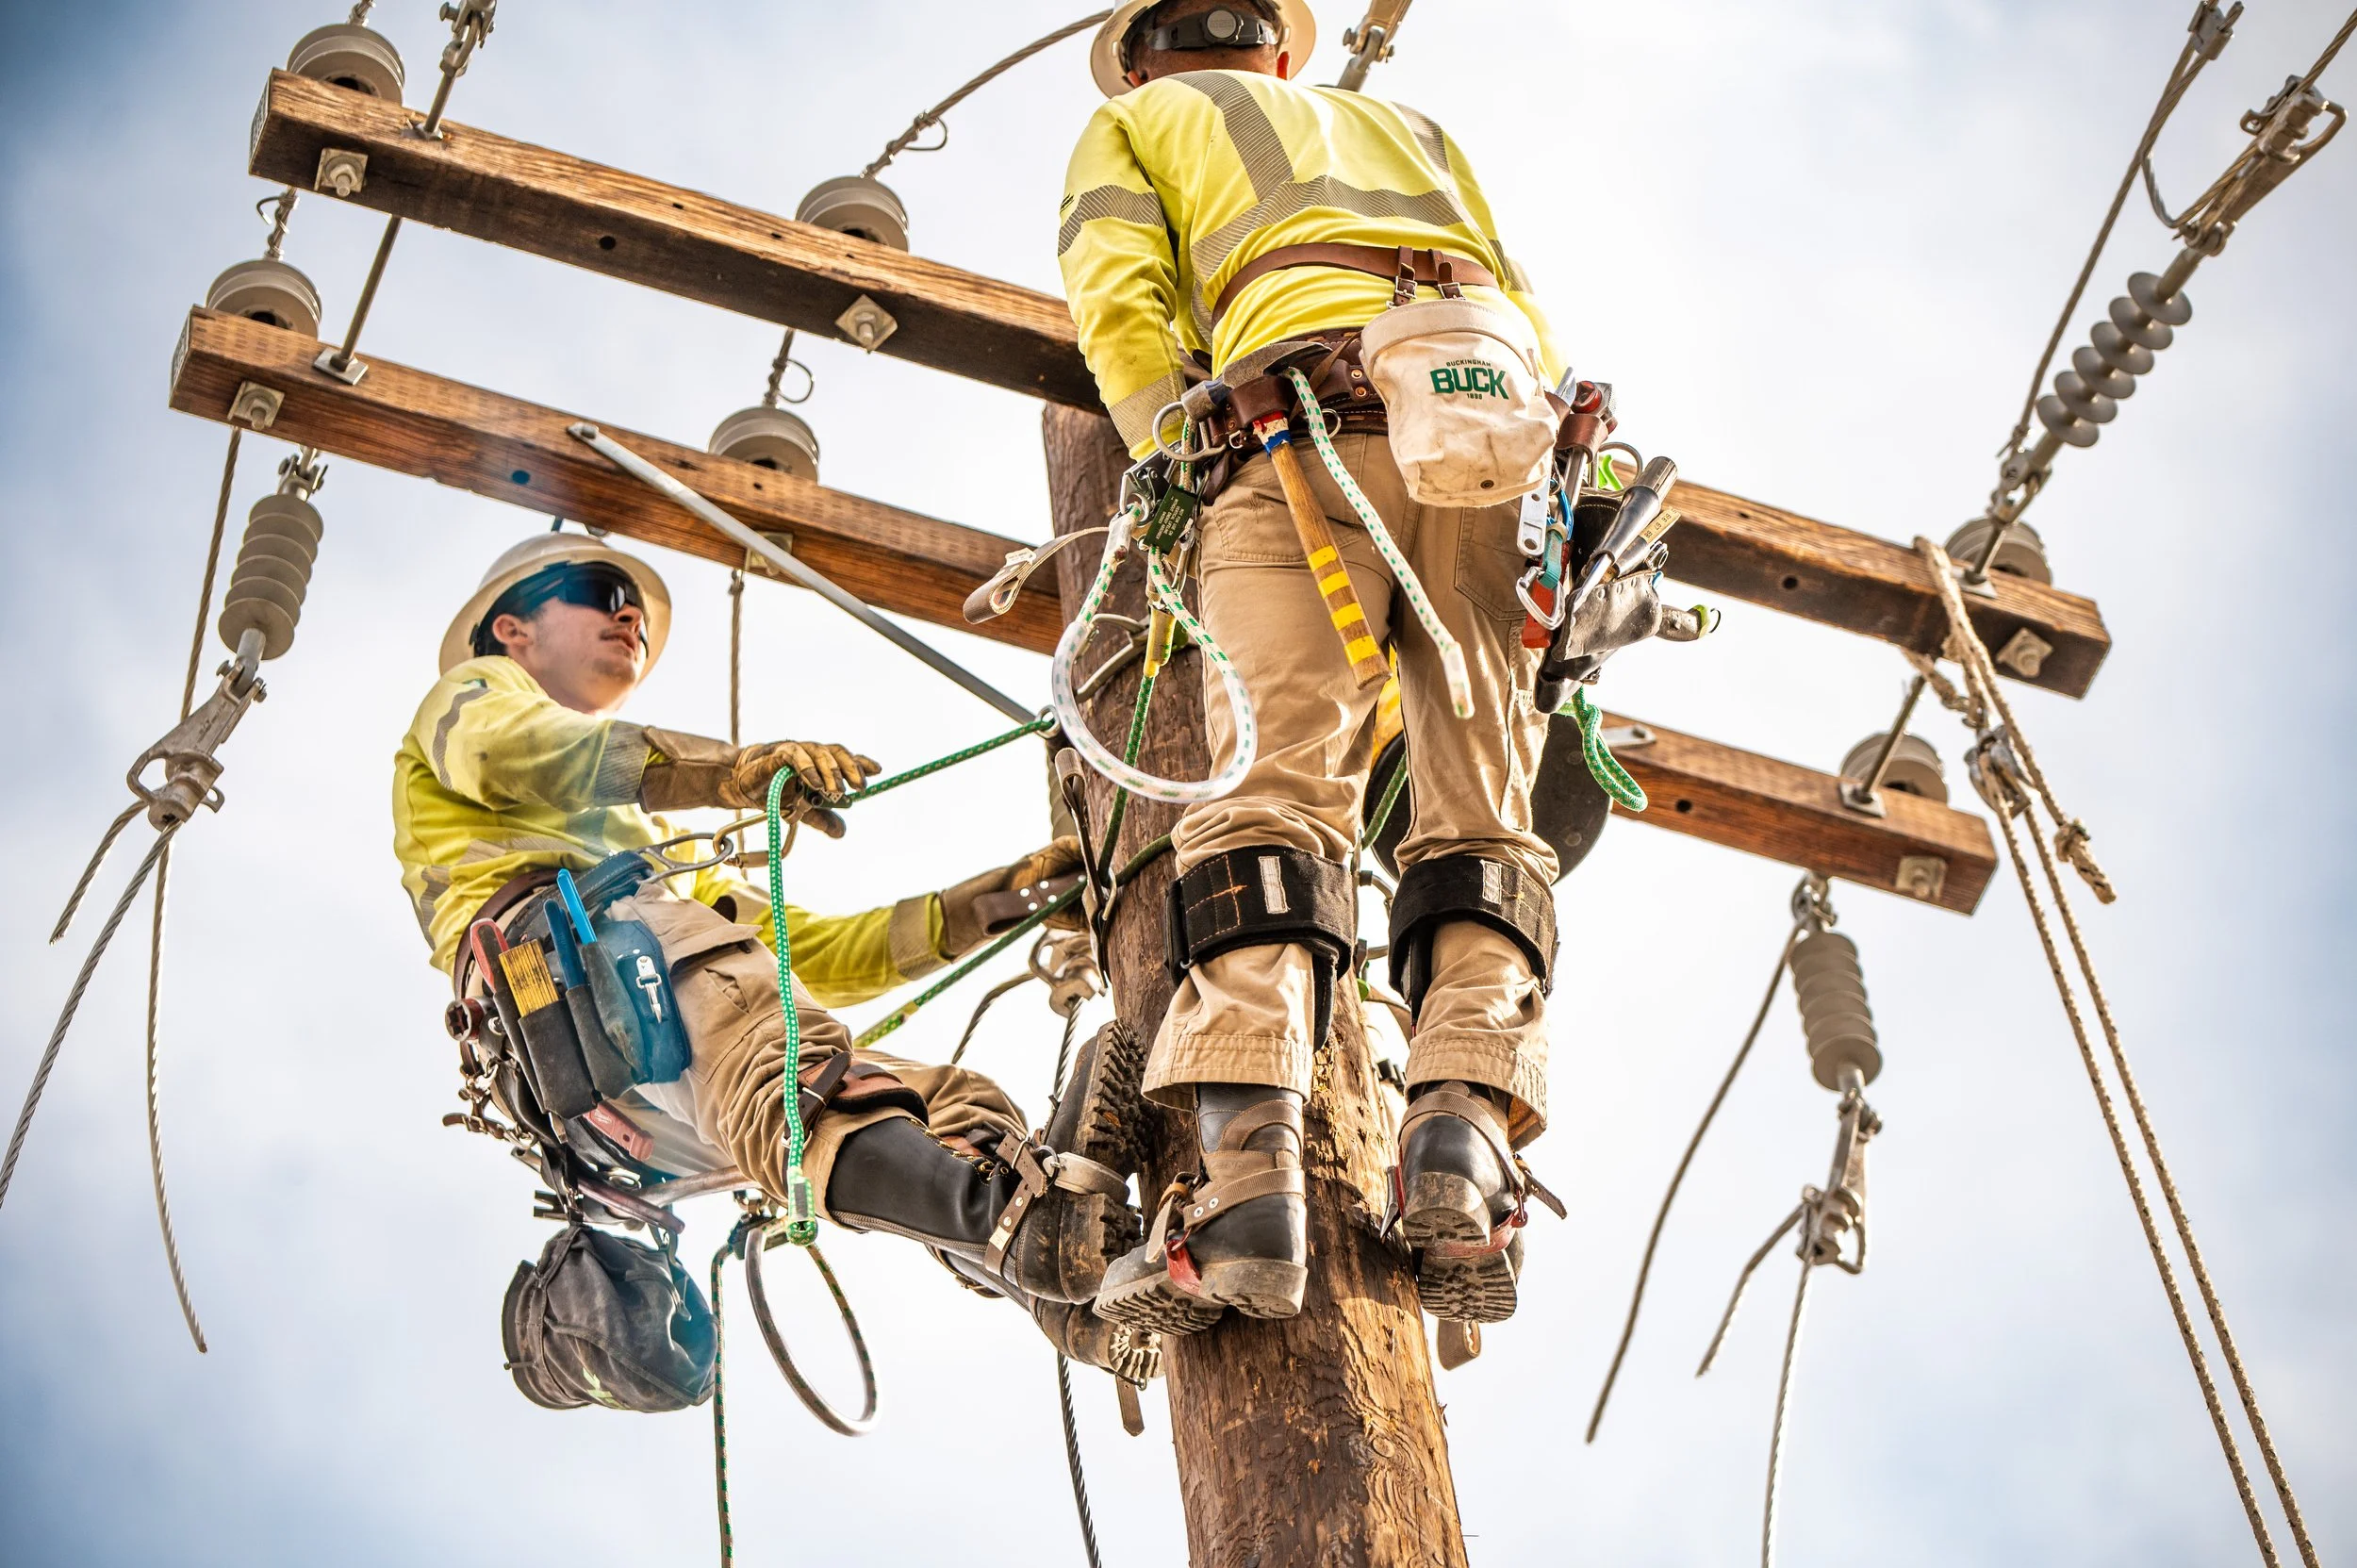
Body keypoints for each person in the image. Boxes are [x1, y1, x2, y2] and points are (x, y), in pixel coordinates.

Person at [1060, 0, 1586, 1333]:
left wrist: (1169, 452)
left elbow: (1119, 301)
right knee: (1481, 808)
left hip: (1300, 440)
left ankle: (1251, 1185)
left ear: (1143, 53)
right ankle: (1460, 1138)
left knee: (1274, 792)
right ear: (1280, 48)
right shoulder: (1409, 126)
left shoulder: (1131, 121)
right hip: (1484, 441)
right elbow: (1524, 309)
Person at [394, 532, 1152, 1377]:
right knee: (788, 1077)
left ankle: (1060, 1289)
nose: (627, 611)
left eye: (631, 599)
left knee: (949, 1105)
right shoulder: (472, 697)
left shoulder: (638, 852)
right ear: (512, 630)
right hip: (577, 983)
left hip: (627, 1106)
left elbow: (808, 948)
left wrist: (992, 902)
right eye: (595, 588)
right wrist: (725, 774)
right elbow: (517, 754)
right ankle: (1034, 1238)